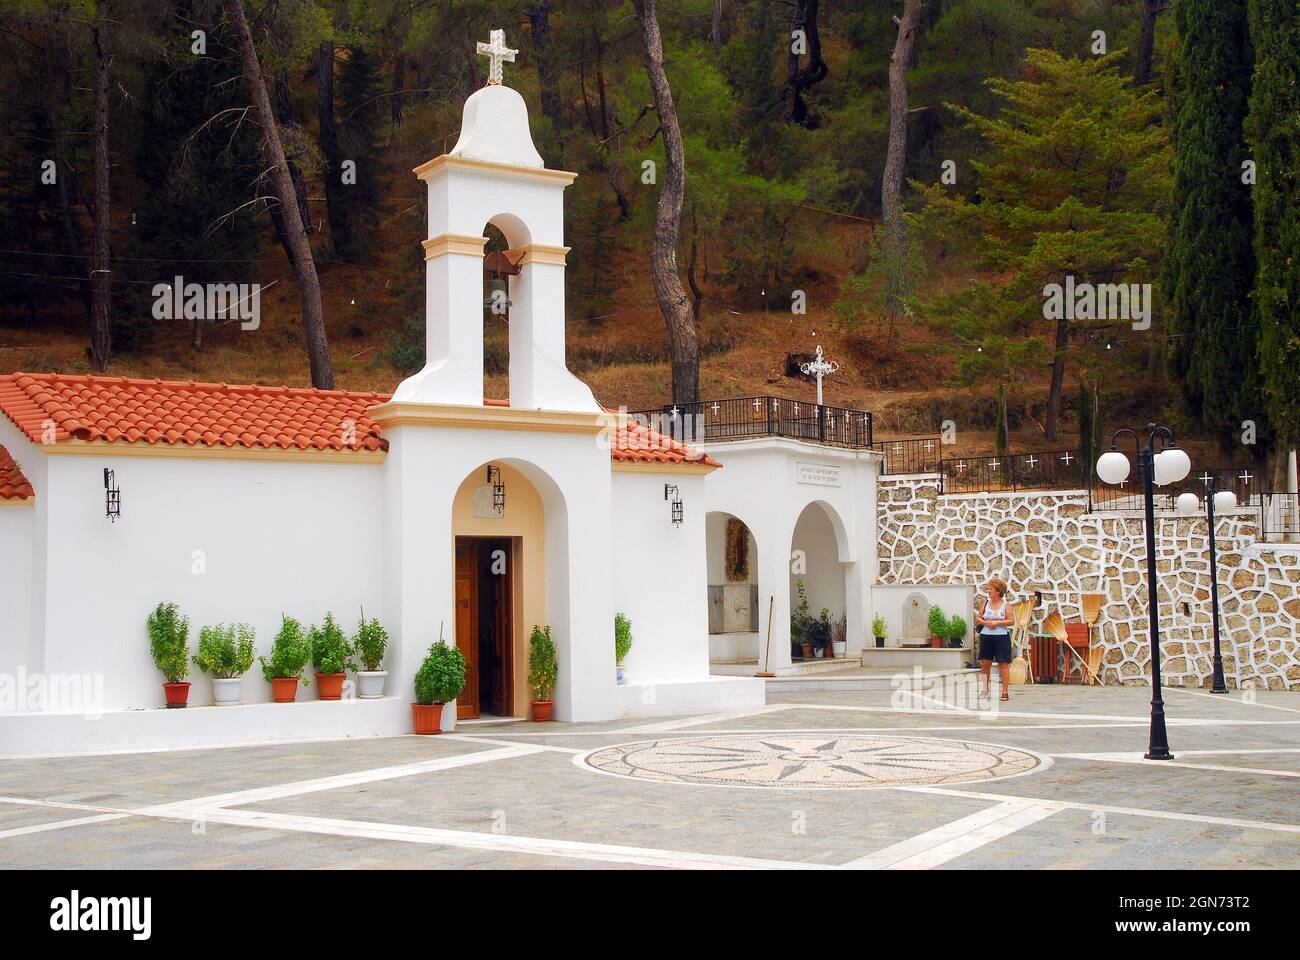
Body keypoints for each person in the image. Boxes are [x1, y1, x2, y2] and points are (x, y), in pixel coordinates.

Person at [975, 578, 1015, 702]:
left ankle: (1005, 691)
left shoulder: (1006, 605)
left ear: (998, 591)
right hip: (986, 636)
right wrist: (987, 623)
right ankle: (985, 689)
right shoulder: (986, 603)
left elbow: (1011, 620)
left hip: (1001, 637)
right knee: (986, 663)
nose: (988, 591)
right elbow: (978, 618)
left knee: (1003, 663)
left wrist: (997, 623)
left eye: (991, 589)